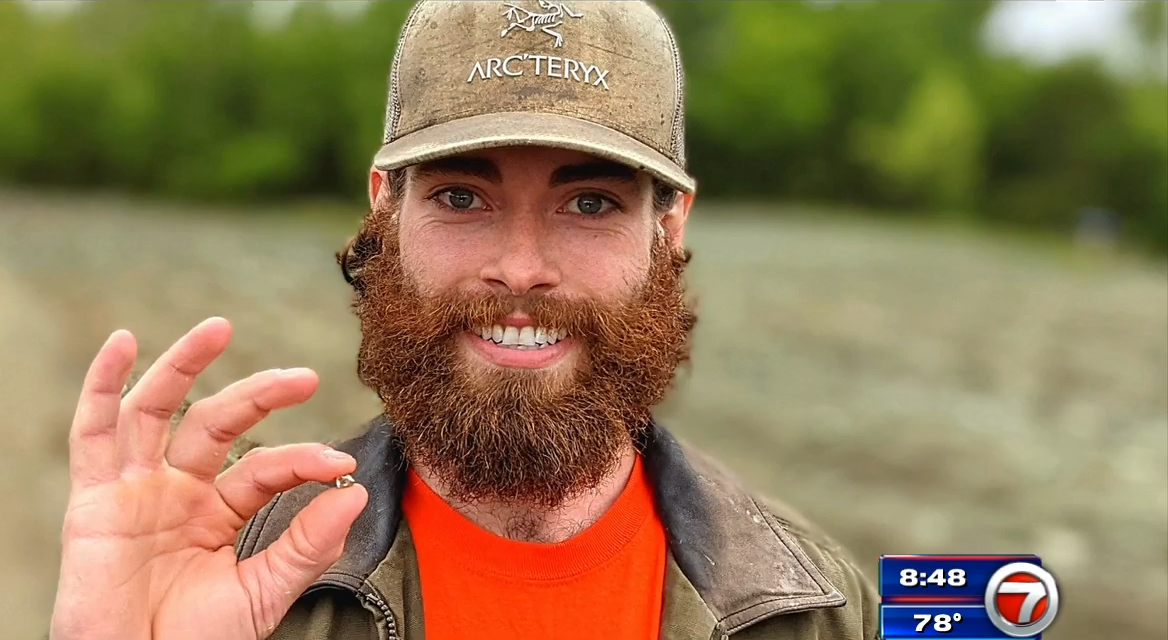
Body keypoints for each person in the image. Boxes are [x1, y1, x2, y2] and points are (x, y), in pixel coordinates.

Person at [47, 2, 879, 639]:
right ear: (386, 210)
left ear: (670, 228)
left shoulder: (825, 606)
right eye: (460, 197)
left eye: (589, 203)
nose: (520, 267)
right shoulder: (242, 580)